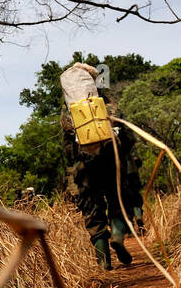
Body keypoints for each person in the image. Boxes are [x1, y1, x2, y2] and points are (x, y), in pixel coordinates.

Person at [58, 65, 144, 272]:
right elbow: (128, 139)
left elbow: (68, 152)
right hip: (113, 165)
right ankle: (117, 236)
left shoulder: (69, 114)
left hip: (84, 170)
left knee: (93, 212)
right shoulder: (108, 107)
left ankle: (104, 262)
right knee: (118, 203)